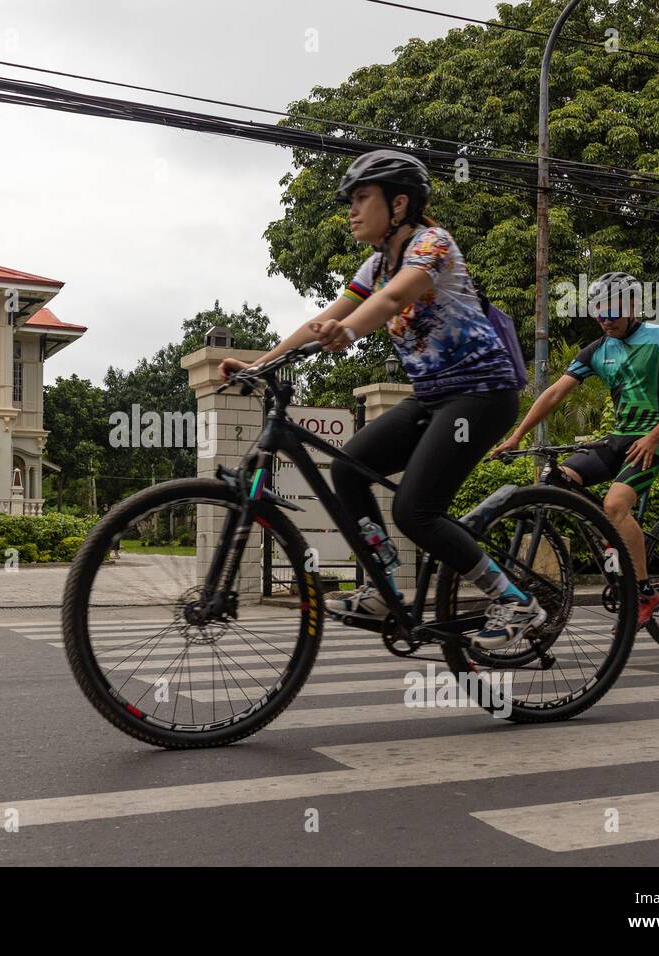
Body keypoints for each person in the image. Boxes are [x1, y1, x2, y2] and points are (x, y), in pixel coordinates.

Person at [219, 149, 535, 648]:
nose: (352, 209)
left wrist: (347, 330)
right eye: (351, 200)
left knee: (416, 512)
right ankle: (384, 587)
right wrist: (260, 365)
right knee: (347, 468)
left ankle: (515, 600)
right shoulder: (375, 265)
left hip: (481, 395)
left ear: (400, 203)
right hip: (431, 397)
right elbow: (322, 317)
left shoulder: (433, 244)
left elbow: (393, 300)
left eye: (363, 198)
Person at [492, 271, 659, 628]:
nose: (605, 319)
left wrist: (652, 437)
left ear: (633, 306)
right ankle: (610, 534)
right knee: (556, 481)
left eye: (612, 312)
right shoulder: (598, 350)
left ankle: (644, 592)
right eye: (598, 312)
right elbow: (555, 393)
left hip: (656, 440)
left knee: (615, 504)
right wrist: (516, 435)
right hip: (617, 439)